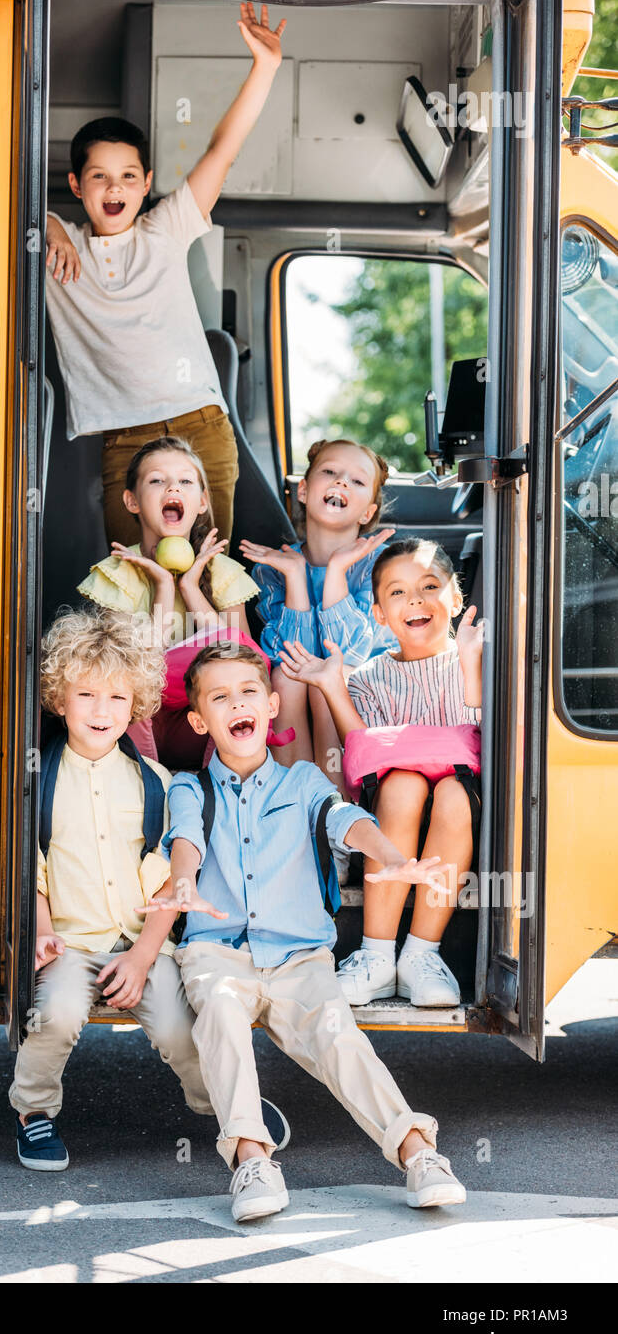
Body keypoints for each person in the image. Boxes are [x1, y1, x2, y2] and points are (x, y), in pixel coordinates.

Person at [144, 641, 467, 1221]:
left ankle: (418, 1152)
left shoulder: (306, 783)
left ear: (271, 707)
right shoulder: (189, 788)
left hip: (299, 958)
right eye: (219, 697)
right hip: (218, 952)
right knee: (219, 1013)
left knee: (340, 1035)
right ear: (199, 721)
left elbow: (349, 821)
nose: (236, 703)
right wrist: (184, 880)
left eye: (248, 692)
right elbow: (186, 837)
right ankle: (252, 1159)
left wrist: (390, 857)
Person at [10, 608, 289, 1169]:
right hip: (71, 942)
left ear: (135, 704)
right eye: (85, 695)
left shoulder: (155, 786)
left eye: (117, 699)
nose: (101, 711)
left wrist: (141, 958)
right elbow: (32, 867)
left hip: (143, 943)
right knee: (55, 1016)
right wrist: (42, 933)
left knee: (181, 1029)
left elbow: (169, 883)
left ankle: (229, 1106)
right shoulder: (36, 781)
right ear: (59, 699)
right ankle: (34, 1112)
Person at [43, 2, 288, 548]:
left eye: (128, 176)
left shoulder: (165, 230)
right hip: (123, 441)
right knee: (130, 593)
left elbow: (221, 150)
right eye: (99, 177)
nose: (115, 189)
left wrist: (265, 68)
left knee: (208, 583)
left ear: (146, 182)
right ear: (77, 185)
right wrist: (49, 221)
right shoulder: (55, 250)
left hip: (199, 426)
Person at [279, 537, 484, 1008]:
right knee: (403, 783)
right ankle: (375, 954)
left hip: (462, 796)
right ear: (378, 615)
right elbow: (365, 749)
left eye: (430, 586)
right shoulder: (371, 675)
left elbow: (484, 733)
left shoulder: (475, 659)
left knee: (451, 793)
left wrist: (472, 664)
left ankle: (421, 956)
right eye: (397, 592)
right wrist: (335, 687)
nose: (415, 600)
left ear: (456, 599)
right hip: (393, 799)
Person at [77, 437, 278, 769]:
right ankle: (147, 788)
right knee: (121, 681)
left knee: (235, 682)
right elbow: (122, 672)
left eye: (185, 481)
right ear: (132, 501)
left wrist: (190, 588)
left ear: (201, 502)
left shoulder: (222, 571)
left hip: (201, 724)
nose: (173, 487)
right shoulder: (116, 574)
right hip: (138, 721)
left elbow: (243, 661)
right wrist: (164, 589)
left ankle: (224, 788)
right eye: (157, 480)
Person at [240, 438, 396, 784]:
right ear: (305, 491)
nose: (341, 481)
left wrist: (338, 571)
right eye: (330, 472)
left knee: (329, 679)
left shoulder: (379, 564)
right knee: (284, 679)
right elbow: (288, 654)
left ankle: (337, 807)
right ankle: (292, 802)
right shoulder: (273, 568)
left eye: (356, 481)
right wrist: (295, 575)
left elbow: (348, 651)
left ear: (367, 513)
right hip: (305, 675)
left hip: (370, 683)